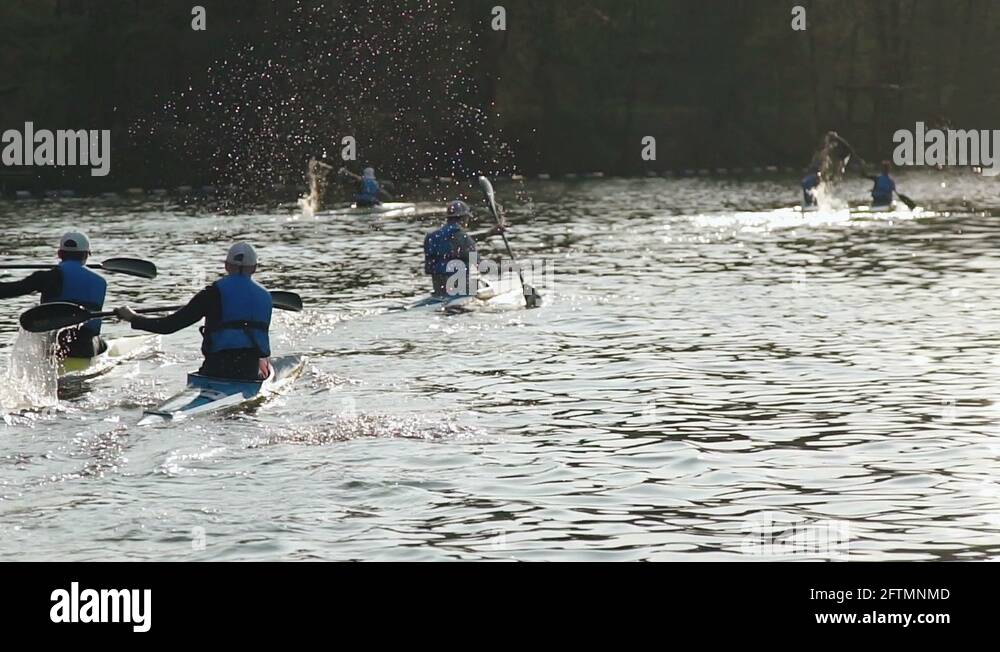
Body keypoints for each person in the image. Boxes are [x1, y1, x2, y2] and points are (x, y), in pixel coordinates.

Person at [115, 243, 272, 381]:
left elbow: (168, 326)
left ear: (226, 266)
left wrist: (133, 317)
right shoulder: (265, 297)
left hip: (215, 370)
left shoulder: (211, 293)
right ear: (254, 268)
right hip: (248, 372)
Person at [0, 231, 108, 358]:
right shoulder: (101, 282)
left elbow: (9, 290)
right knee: (102, 344)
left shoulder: (47, 277)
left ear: (59, 254)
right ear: (86, 255)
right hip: (87, 348)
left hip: (55, 348)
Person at [423, 200, 505, 298]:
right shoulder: (463, 239)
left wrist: (488, 233)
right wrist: (504, 268)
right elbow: (481, 267)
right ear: (464, 219)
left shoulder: (431, 237)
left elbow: (456, 243)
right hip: (460, 293)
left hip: (439, 290)